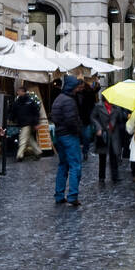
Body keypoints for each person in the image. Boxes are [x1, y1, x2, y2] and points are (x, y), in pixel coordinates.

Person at [50, 74, 83, 206]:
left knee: (63, 165)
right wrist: (78, 130)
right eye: (76, 87)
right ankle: (72, 195)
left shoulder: (59, 98)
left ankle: (59, 195)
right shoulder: (69, 101)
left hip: (60, 135)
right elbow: (71, 121)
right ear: (72, 87)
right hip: (69, 135)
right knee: (75, 165)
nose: (77, 89)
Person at [90, 95, 126, 184]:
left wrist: (120, 111)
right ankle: (101, 177)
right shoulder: (98, 106)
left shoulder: (116, 107)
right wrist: (98, 127)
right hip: (103, 134)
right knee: (102, 156)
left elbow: (121, 119)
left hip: (114, 134)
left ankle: (115, 176)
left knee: (114, 155)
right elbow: (93, 117)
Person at [11, 82, 41, 160]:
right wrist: (12, 119)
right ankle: (38, 152)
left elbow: (36, 112)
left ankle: (19, 155)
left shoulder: (29, 101)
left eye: (19, 91)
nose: (18, 92)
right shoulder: (18, 102)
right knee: (29, 138)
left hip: (27, 123)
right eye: (18, 91)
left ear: (24, 92)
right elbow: (13, 112)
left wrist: (36, 123)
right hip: (25, 122)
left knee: (23, 138)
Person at [76, 78, 98, 160]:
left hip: (86, 119)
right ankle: (78, 153)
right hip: (77, 120)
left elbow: (92, 106)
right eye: (80, 87)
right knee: (77, 138)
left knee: (87, 137)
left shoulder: (89, 94)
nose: (81, 89)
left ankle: (85, 151)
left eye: (82, 87)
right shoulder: (74, 94)